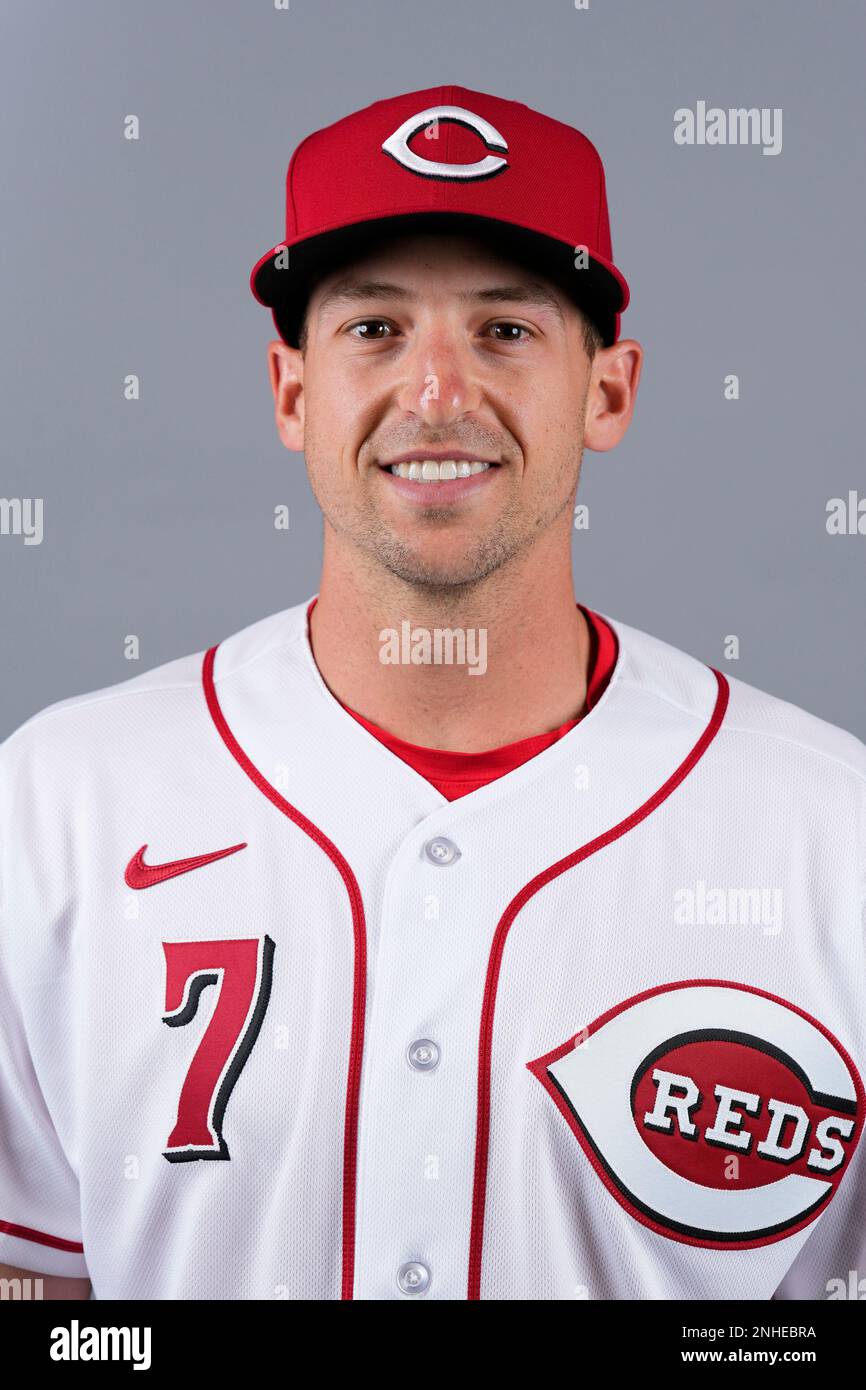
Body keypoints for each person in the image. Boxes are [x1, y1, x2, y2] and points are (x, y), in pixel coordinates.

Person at [1, 86, 864, 1301]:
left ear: (606, 391)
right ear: (291, 391)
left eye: (504, 331)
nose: (438, 392)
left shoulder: (830, 835)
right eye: (374, 330)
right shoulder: (57, 801)